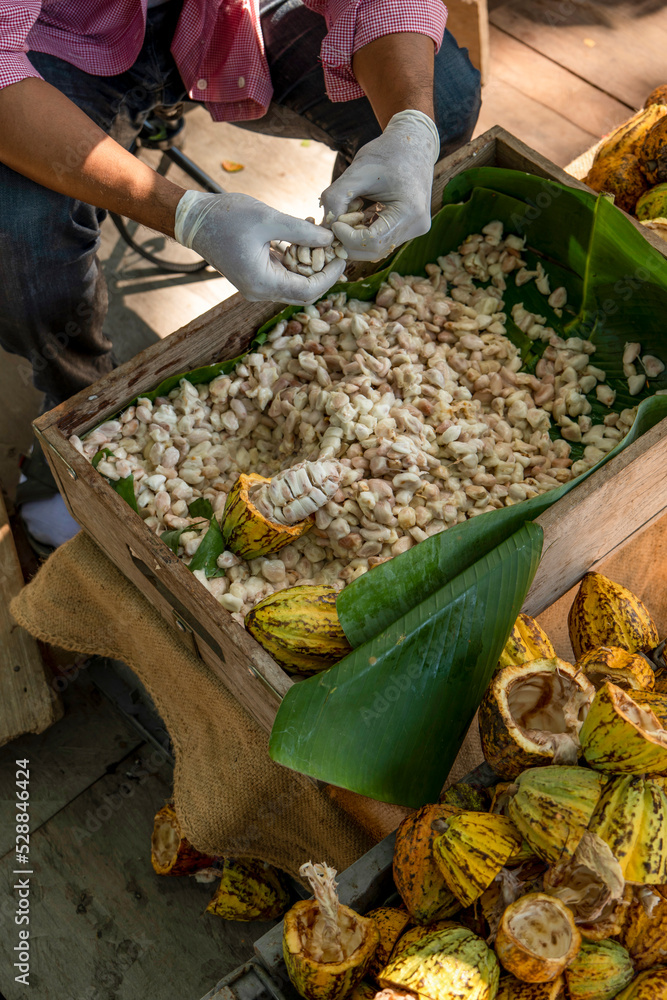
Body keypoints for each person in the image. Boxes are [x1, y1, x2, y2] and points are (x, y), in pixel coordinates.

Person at [0, 0, 482, 550]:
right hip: (59, 37)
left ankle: (348, 313)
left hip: (223, 15)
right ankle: (82, 405)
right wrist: (186, 214)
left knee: (440, 97)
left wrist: (412, 124)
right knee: (17, 236)